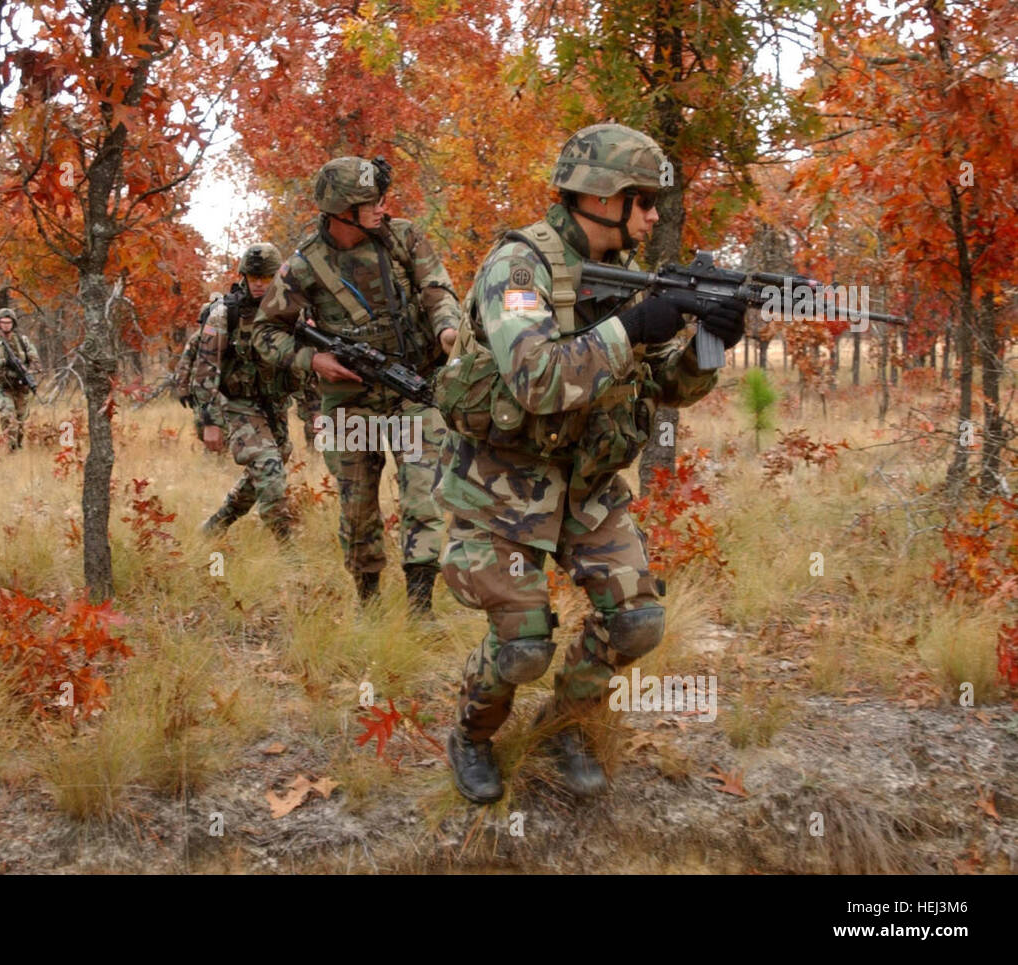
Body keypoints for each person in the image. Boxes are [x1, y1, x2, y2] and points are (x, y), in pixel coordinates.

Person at [431, 124, 747, 803]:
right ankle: (473, 733)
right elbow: (538, 379)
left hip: (585, 486)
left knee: (635, 619)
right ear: (602, 197)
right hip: (501, 491)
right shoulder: (518, 269)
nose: (653, 215)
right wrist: (635, 326)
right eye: (643, 200)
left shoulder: (627, 278)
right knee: (522, 646)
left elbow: (662, 385)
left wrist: (707, 344)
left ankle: (565, 725)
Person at [252, 155, 461, 613]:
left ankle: (420, 611)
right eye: (372, 202)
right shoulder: (303, 266)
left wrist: (448, 330)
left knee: (423, 496)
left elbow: (437, 290)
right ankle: (369, 608)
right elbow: (265, 333)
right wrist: (313, 359)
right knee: (358, 508)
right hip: (349, 404)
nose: (382, 208)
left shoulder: (403, 237)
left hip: (414, 390)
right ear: (342, 211)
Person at [193, 244, 296, 541]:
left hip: (275, 404)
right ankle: (289, 552)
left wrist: (313, 411)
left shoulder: (290, 312)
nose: (260, 283)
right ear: (243, 277)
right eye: (254, 277)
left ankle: (217, 524)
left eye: (266, 277)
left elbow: (304, 362)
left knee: (269, 465)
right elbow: (205, 370)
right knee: (270, 471)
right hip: (238, 404)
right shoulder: (226, 314)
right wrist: (209, 421)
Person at [174, 290, 223, 443]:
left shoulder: (226, 333)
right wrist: (183, 389)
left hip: (221, 387)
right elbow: (185, 363)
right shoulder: (198, 337)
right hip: (201, 387)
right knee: (203, 421)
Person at [0, 306, 40, 451]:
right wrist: (3, 363)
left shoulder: (22, 341)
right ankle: (10, 448)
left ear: (13, 323)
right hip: (3, 386)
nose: (6, 325)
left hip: (21, 387)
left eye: (9, 322)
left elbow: (35, 361)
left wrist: (27, 372)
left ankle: (17, 447)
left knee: (21, 421)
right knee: (8, 416)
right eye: (3, 322)